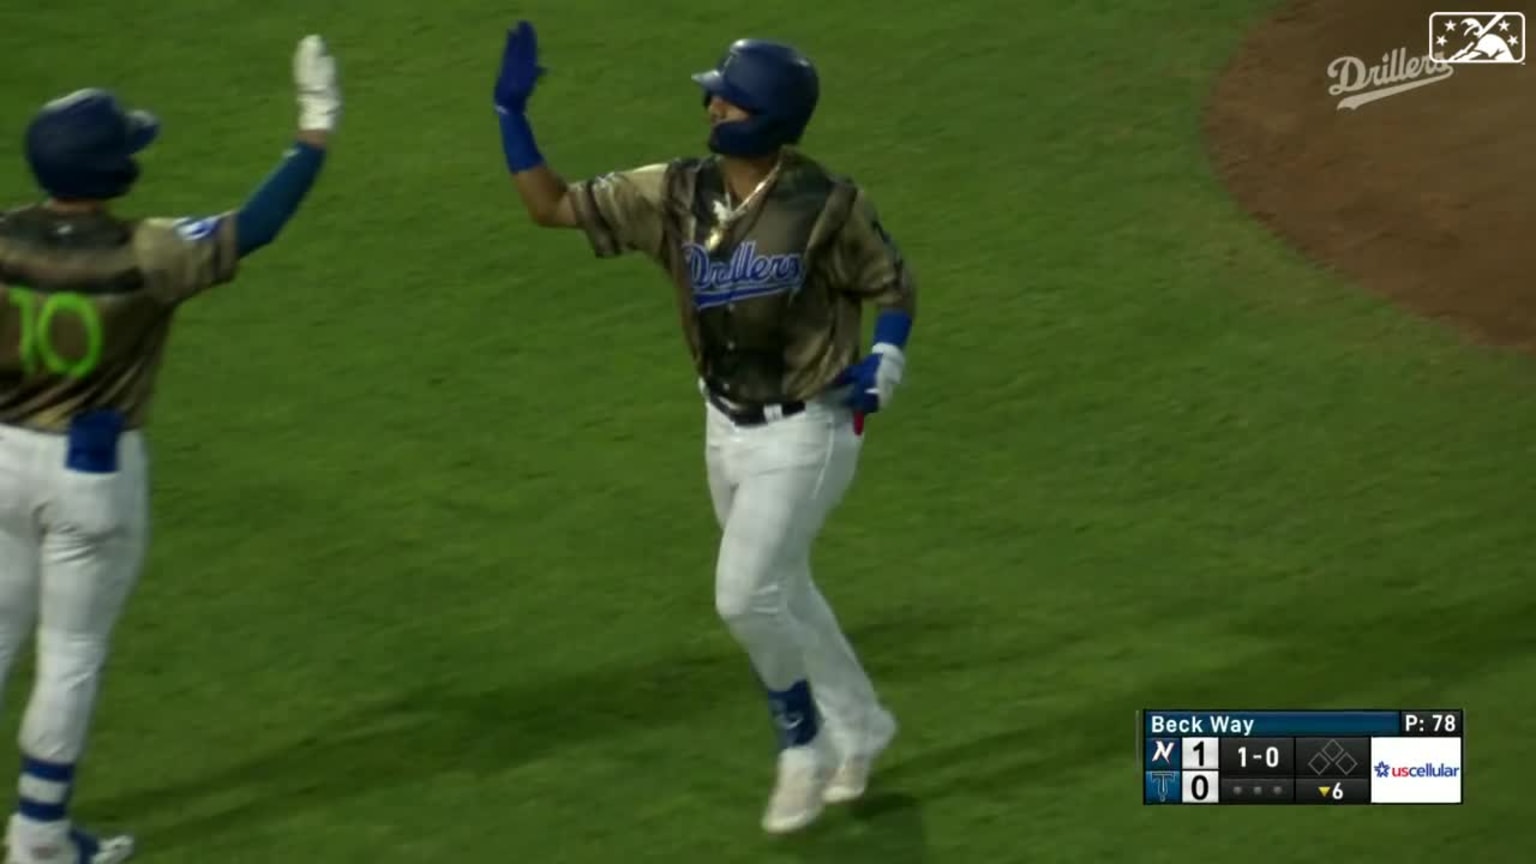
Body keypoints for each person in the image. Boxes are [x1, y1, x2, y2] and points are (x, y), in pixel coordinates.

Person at [492, 21, 916, 834]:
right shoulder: (675, 191)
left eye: (728, 97)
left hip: (812, 429)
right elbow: (549, 206)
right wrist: (511, 113)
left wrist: (887, 360)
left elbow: (892, 285)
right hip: (721, 424)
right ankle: (862, 723)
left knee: (743, 595)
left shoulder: (826, 203)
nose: (712, 103)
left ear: (768, 116)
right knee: (781, 588)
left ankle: (803, 744)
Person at [0, 35, 341, 864]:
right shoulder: (146, 252)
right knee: (71, 654)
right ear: (112, 173)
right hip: (92, 476)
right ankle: (39, 838)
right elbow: (253, 225)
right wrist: (316, 127)